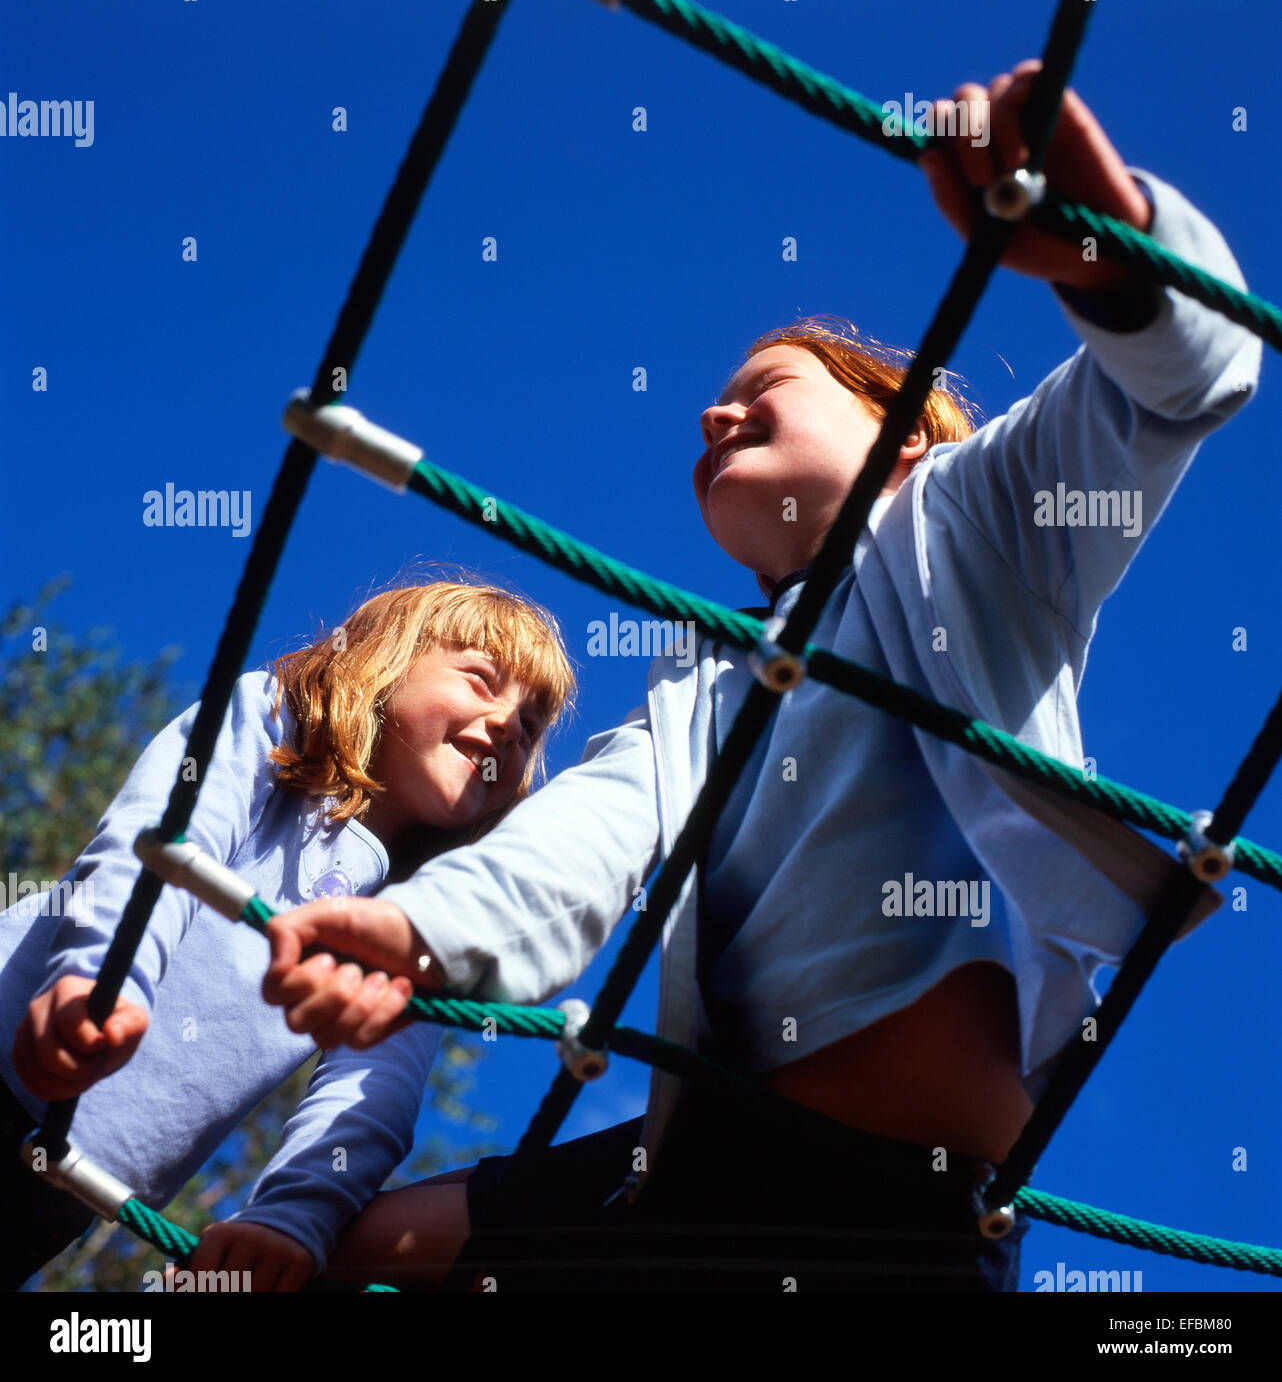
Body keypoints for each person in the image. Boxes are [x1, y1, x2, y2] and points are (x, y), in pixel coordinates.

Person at [256, 63, 1260, 1291]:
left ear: (901, 425)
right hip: (701, 1163)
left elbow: (1185, 380)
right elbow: (585, 839)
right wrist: (428, 931)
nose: (711, 418)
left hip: (901, 1198)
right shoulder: (697, 680)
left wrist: (1114, 255)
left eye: (761, 393)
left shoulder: (978, 519)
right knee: (377, 1245)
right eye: (709, 413)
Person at [1, 575, 574, 1290]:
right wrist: (100, 977)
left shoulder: (419, 918)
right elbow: (159, 849)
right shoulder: (271, 729)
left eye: (529, 726)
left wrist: (293, 1213)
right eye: (482, 681)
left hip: (68, 1186)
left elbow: (375, 1086)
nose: (508, 726)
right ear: (386, 659)